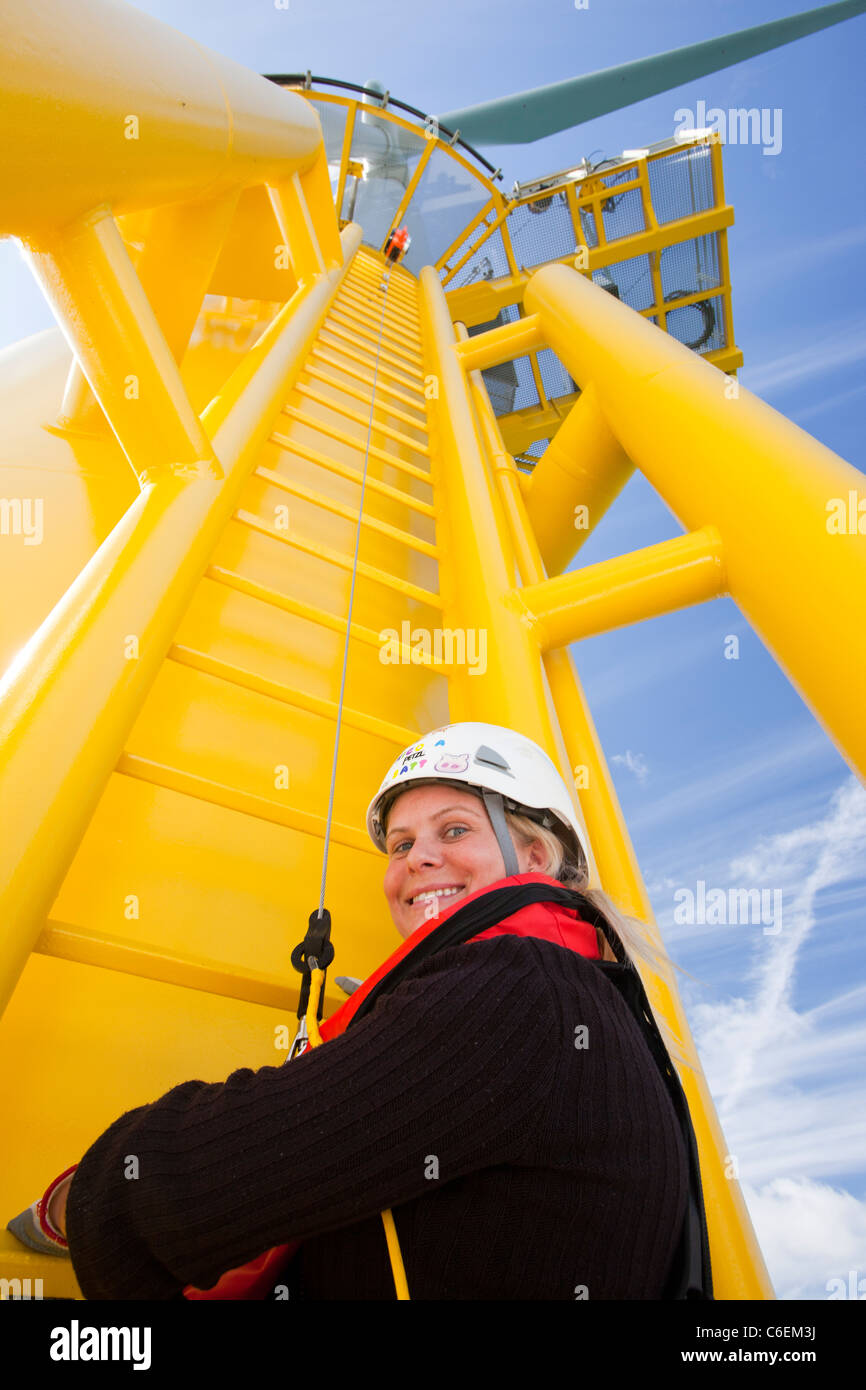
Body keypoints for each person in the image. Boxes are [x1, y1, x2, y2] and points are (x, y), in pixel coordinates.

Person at [9, 721, 709, 1300]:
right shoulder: (591, 1004)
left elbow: (208, 1176)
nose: (417, 860)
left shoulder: (521, 988)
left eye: (455, 830)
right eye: (402, 845)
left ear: (534, 854)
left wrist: (83, 1200)